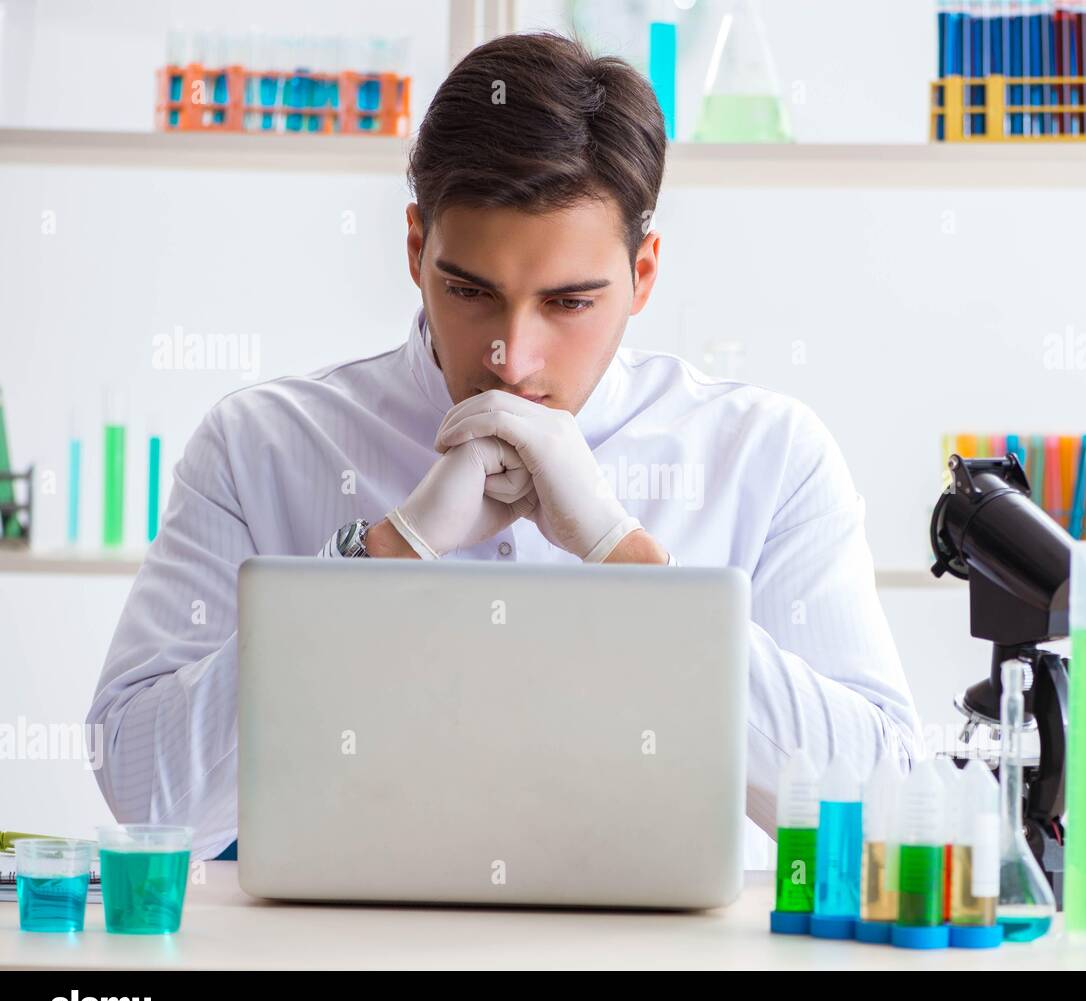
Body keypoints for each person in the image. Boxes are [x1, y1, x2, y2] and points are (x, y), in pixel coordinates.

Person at [88, 32, 922, 864]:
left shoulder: (766, 456)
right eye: (470, 292)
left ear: (644, 275)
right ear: (416, 251)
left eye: (568, 303)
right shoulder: (261, 445)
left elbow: (883, 809)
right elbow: (148, 796)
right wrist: (382, 560)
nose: (511, 360)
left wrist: (627, 561)